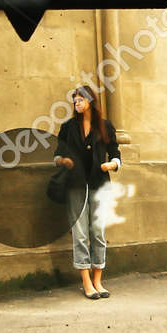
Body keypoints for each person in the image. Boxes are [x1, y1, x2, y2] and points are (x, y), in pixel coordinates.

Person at [53, 85, 120, 299]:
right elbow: (57, 154)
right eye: (74, 100)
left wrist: (112, 165)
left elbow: (115, 152)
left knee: (98, 232)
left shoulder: (106, 127)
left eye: (80, 99)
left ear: (90, 101)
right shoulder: (68, 127)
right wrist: (63, 161)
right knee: (80, 234)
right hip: (76, 185)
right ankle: (86, 282)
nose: (76, 103)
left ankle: (98, 280)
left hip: (100, 184)